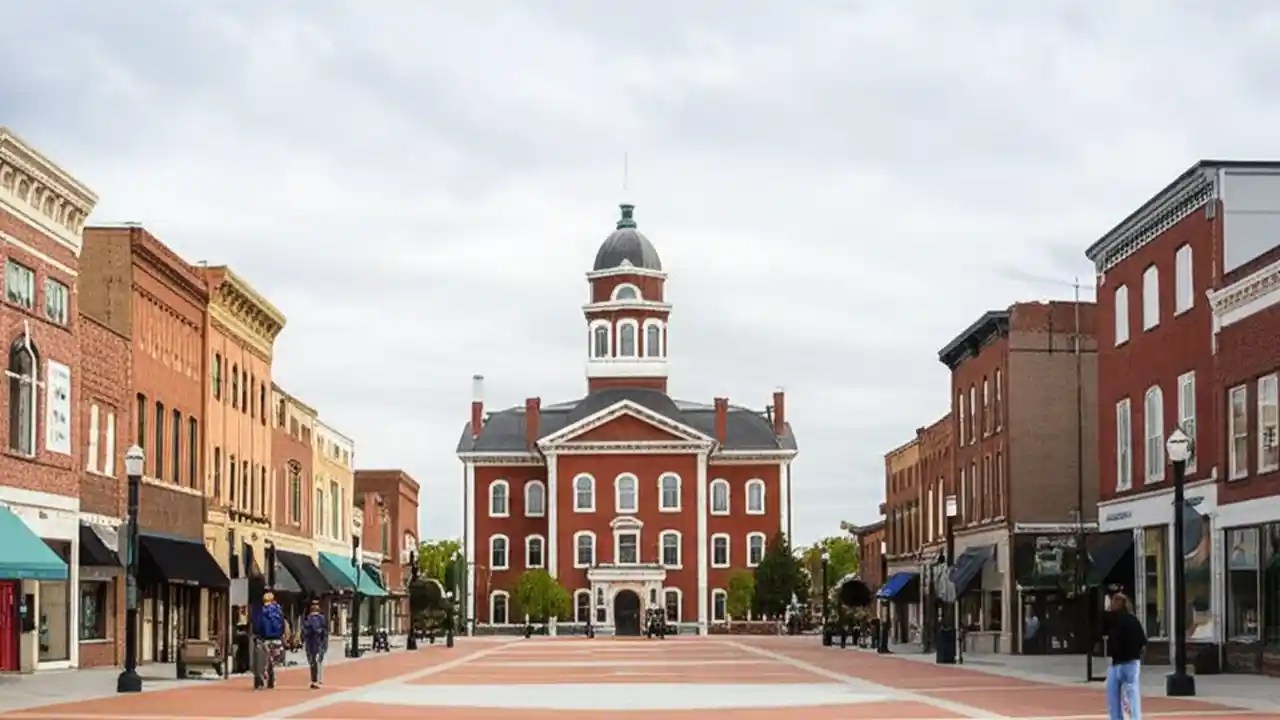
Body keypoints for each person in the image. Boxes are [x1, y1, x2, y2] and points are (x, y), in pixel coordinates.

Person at [1102, 592, 1146, 719]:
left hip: (1122, 663)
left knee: (1116, 697)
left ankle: (1124, 717)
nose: (1113, 604)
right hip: (1128, 661)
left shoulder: (1113, 621)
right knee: (1130, 694)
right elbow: (1142, 643)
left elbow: (1101, 631)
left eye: (1115, 601)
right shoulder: (1132, 620)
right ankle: (1134, 717)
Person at [252, 592, 286, 690]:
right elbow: (283, 624)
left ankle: (261, 681)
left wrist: (257, 634)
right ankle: (271, 680)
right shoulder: (278, 611)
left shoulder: (261, 611)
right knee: (271, 661)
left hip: (264, 639)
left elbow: (258, 625)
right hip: (277, 639)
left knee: (262, 660)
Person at [301, 599, 328, 689]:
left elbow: (305, 633)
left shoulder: (308, 619)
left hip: (311, 643)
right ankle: (318, 678)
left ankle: (315, 679)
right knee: (318, 661)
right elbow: (325, 632)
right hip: (319, 643)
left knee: (313, 662)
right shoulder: (322, 619)